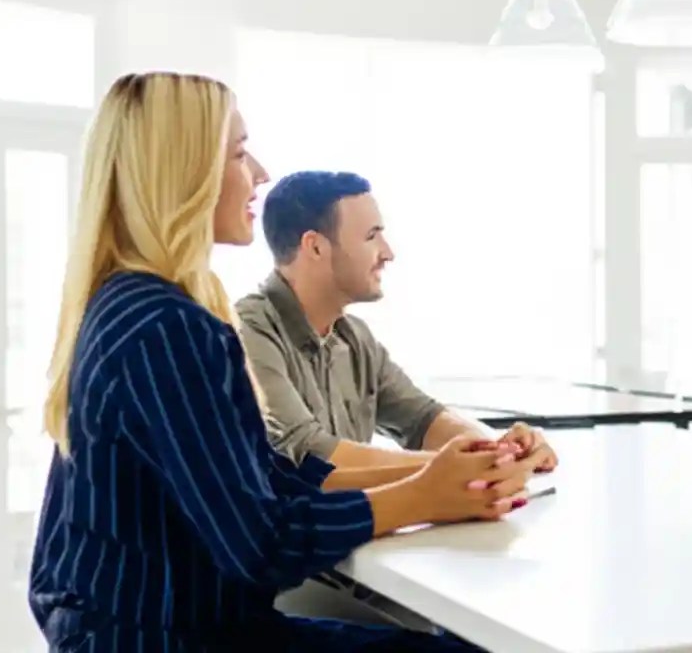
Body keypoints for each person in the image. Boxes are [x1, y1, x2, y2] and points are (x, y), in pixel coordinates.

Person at [29, 72, 532, 651]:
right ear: (185, 172)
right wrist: (423, 495)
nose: (261, 174)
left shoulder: (130, 306)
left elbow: (266, 477)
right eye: (241, 153)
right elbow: (260, 544)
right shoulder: (169, 330)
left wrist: (448, 469)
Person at [234, 171, 558, 483]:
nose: (387, 253)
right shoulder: (248, 334)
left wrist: (496, 450)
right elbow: (309, 455)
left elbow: (423, 418)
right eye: (371, 236)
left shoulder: (353, 337)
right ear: (315, 247)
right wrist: (460, 465)